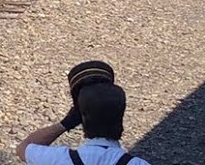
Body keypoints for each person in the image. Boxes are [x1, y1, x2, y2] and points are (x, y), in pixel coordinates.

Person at [16, 61, 151, 165]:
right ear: (120, 116)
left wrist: (66, 123)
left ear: (82, 118)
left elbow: (24, 147)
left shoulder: (59, 159)